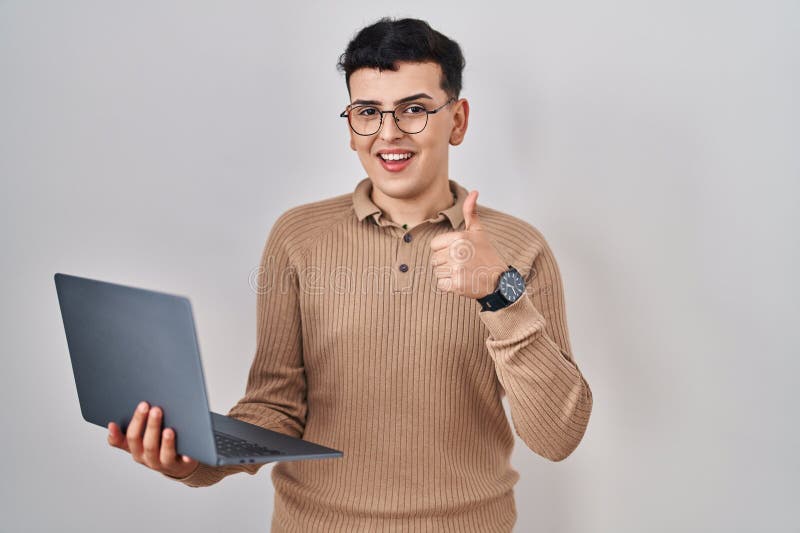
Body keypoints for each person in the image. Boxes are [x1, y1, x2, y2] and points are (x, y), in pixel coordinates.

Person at [107, 16, 593, 532]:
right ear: (350, 126)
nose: (388, 133)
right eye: (368, 112)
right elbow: (275, 406)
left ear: (457, 120)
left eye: (414, 110)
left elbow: (557, 436)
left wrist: (499, 295)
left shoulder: (518, 247)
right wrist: (195, 460)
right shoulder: (298, 235)